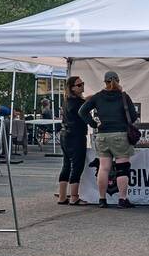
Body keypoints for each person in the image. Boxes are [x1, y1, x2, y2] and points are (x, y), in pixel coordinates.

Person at [78, 70, 139, 209]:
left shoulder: (98, 97)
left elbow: (82, 111)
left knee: (104, 169)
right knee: (123, 168)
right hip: (120, 135)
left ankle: (102, 199)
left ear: (105, 82)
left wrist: (93, 124)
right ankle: (122, 200)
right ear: (118, 80)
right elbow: (134, 117)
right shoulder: (123, 97)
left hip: (102, 136)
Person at [56, 76, 88, 205]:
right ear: (72, 88)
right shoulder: (78, 103)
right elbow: (85, 115)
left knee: (66, 165)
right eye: (79, 85)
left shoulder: (67, 100)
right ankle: (74, 196)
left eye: (82, 83)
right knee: (77, 165)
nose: (82, 86)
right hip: (76, 136)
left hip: (65, 135)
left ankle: (62, 196)